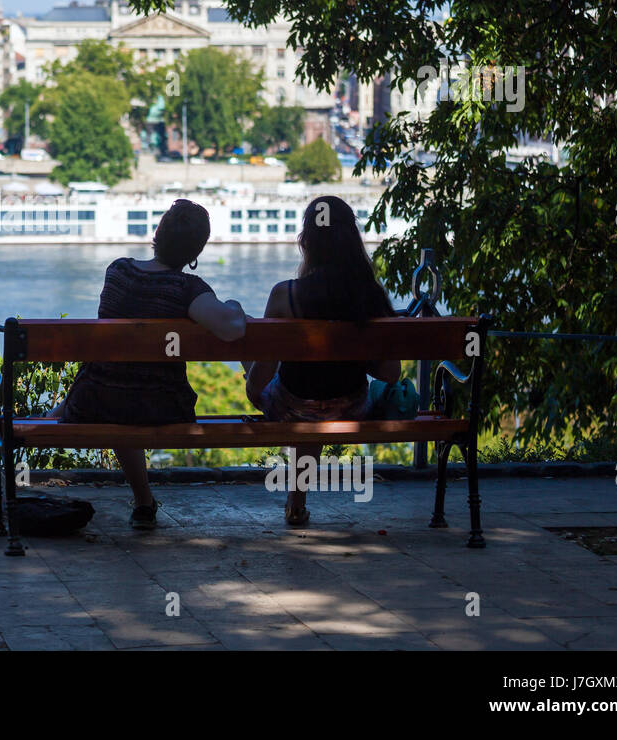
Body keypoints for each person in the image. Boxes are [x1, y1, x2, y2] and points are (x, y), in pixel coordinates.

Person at [49, 199, 249, 529]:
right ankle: (143, 503)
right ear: (195, 252)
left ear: (158, 233)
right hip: (161, 407)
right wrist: (233, 304)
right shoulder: (188, 290)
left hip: (97, 402)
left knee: (120, 387)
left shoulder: (118, 271)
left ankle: (144, 502)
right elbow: (233, 328)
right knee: (133, 392)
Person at [244, 195, 400, 526]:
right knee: (316, 399)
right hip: (351, 408)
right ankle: (295, 503)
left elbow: (260, 383)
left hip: (292, 407)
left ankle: (296, 501)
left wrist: (252, 377)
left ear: (306, 242)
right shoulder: (371, 296)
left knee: (294, 393)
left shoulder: (284, 295)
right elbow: (390, 372)